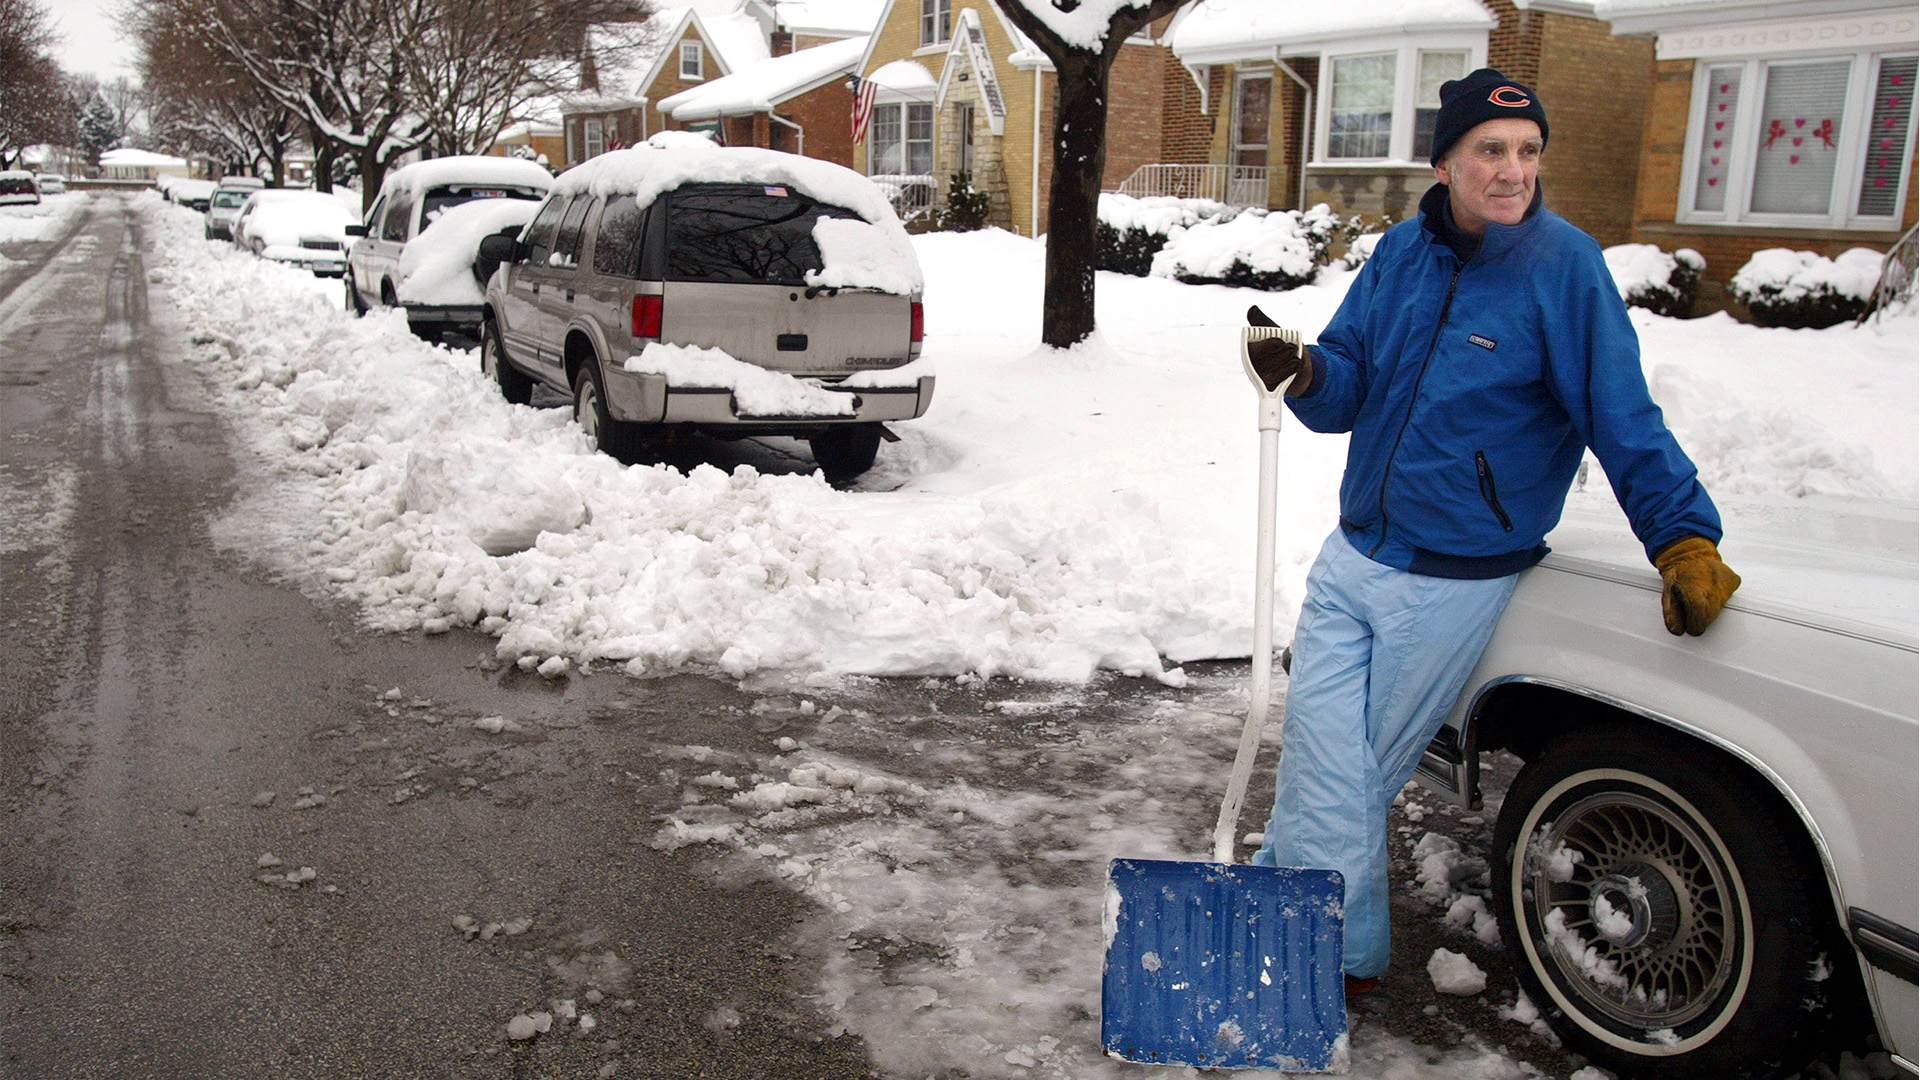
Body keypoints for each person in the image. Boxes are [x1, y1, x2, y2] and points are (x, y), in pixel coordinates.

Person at [1243, 68, 1741, 995]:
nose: (1514, 170)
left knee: (1349, 773)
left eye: (1527, 151)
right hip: (1353, 552)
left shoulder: (1564, 269)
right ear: (1445, 163)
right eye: (1491, 150)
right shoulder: (1401, 251)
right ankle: (1292, 918)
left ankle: (1328, 958)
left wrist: (1682, 538)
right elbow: (1352, 373)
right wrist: (1307, 372)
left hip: (1452, 577)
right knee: (1321, 752)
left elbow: (1620, 415)